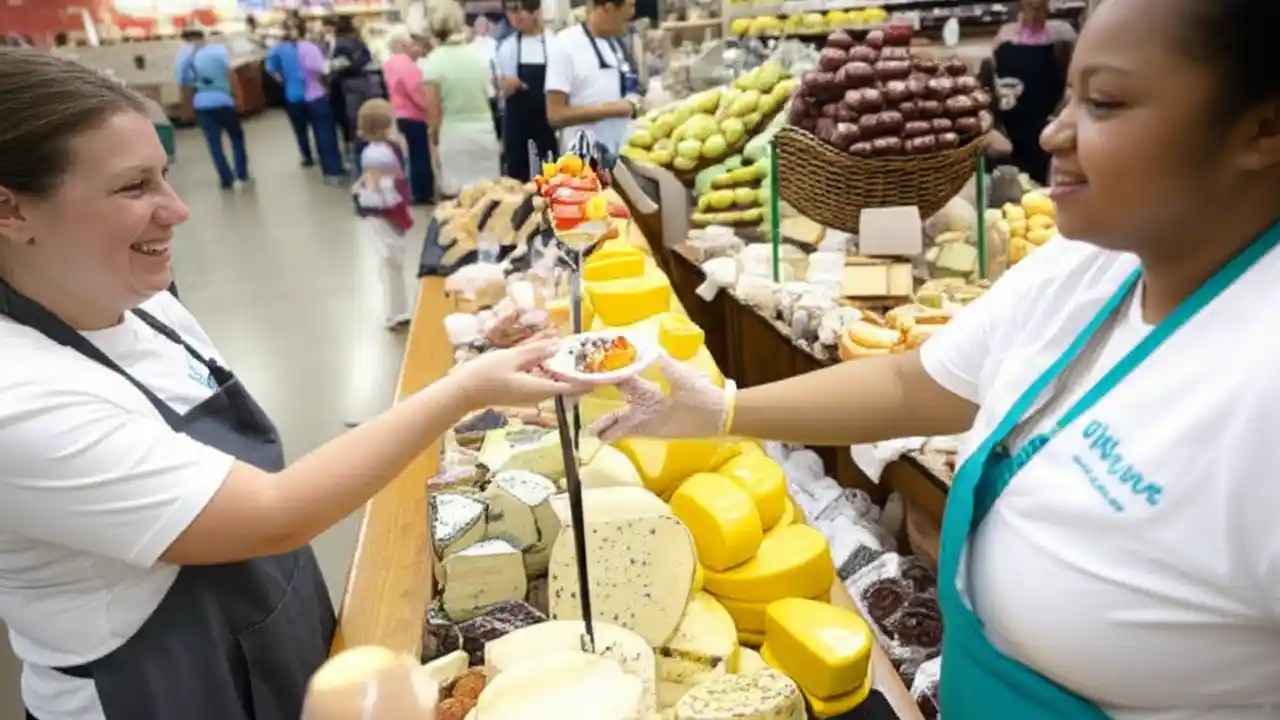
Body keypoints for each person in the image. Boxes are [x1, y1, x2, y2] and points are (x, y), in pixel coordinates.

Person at [596, 1, 1280, 717]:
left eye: (1105, 102)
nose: (1052, 130)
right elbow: (912, 380)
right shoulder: (1087, 265)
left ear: (1264, 127)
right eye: (1069, 95)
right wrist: (716, 410)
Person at [0, 48, 583, 720]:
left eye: (165, 175)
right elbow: (275, 512)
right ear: (11, 211)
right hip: (156, 689)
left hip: (266, 624)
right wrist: (462, 389)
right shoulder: (20, 401)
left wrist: (476, 359)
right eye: (134, 188)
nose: (178, 209)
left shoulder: (142, 304)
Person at [419, 0, 503, 198]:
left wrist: (434, 147)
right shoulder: (479, 55)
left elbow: (434, 116)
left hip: (454, 136)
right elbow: (491, 95)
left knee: (457, 201)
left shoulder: (433, 62)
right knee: (488, 198)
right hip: (484, 133)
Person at [992, 0, 1078, 184]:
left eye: (1042, 8)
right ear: (1022, 7)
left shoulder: (1062, 34)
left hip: (1044, 118)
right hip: (1012, 120)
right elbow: (994, 75)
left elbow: (1071, 75)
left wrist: (1062, 108)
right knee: (1012, 177)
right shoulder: (1005, 34)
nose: (1037, 13)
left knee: (1041, 175)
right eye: (1031, 7)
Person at [544, 0, 641, 158]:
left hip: (621, 157)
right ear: (608, 8)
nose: (633, 13)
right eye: (630, 6)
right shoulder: (565, 44)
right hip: (583, 161)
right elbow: (555, 115)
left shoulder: (616, 43)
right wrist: (614, 109)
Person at [352, 99, 414, 329]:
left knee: (393, 259)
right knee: (391, 259)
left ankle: (398, 308)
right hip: (383, 211)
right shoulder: (378, 154)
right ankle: (395, 312)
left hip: (385, 209)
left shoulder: (378, 150)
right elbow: (378, 186)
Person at [175, 29, 249, 190]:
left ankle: (225, 178)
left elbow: (182, 81)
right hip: (224, 101)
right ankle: (242, 173)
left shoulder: (184, 57)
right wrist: (237, 97)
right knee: (236, 138)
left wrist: (186, 108)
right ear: (203, 37)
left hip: (202, 103)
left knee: (214, 143)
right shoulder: (218, 50)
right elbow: (230, 72)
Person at [496, 0, 558, 181]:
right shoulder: (507, 47)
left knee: (550, 178)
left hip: (546, 124)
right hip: (516, 126)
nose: (516, 16)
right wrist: (505, 87)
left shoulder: (554, 44)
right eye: (510, 10)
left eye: (519, 10)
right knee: (517, 180)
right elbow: (497, 85)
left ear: (535, 11)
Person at [382, 29, 434, 204]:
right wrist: (430, 108)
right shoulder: (406, 64)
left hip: (401, 113)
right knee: (421, 154)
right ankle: (422, 192)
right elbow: (416, 91)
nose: (415, 48)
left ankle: (413, 189)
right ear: (403, 46)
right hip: (414, 115)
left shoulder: (389, 64)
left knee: (411, 153)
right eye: (412, 44)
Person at [297, 22, 348, 184]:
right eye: (316, 31)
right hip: (317, 95)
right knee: (326, 133)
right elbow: (323, 69)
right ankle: (333, 171)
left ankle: (329, 168)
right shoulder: (309, 48)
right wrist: (338, 64)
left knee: (317, 134)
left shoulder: (294, 49)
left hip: (301, 97)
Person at [265, 23, 316, 167]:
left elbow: (271, 70)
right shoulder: (309, 46)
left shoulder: (277, 50)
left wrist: (282, 79)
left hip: (293, 94)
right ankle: (322, 154)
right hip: (314, 93)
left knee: (300, 129)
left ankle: (307, 156)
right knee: (319, 127)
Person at [329, 16, 377, 153]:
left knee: (353, 120)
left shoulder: (338, 43)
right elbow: (366, 58)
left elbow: (337, 66)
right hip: (362, 81)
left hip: (348, 84)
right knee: (364, 117)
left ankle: (357, 150)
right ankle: (368, 144)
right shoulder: (357, 41)